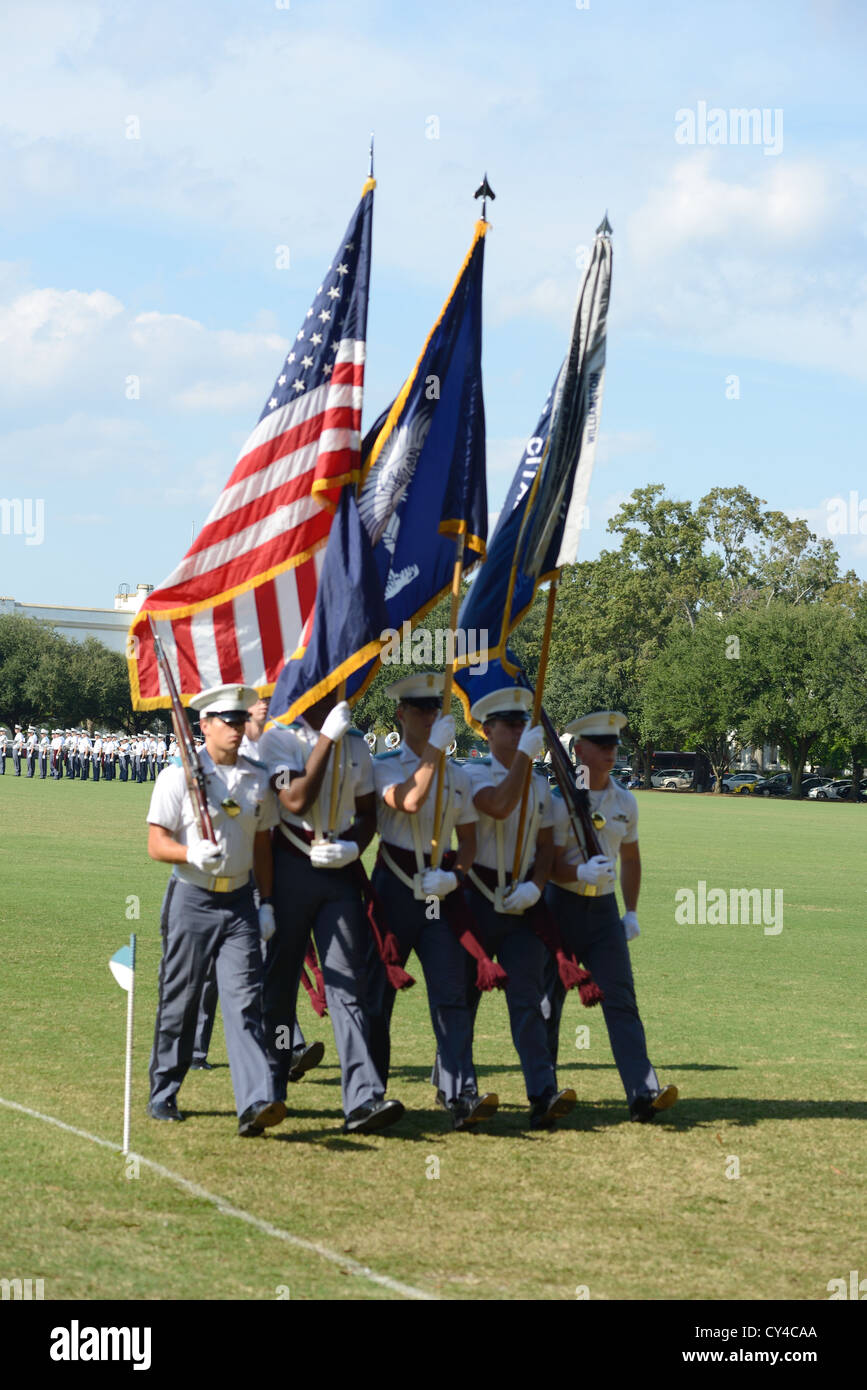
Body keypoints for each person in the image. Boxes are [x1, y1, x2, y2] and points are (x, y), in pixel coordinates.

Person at [258, 692, 402, 1134]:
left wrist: (353, 846)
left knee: (349, 984)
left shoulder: (356, 744)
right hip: (289, 871)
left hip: (338, 873)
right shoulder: (278, 741)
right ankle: (271, 1087)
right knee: (280, 986)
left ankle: (362, 1098)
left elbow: (365, 813)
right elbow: (295, 801)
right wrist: (325, 739)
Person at [145, 683, 286, 1137]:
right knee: (181, 1001)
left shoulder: (258, 777)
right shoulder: (178, 775)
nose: (237, 728)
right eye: (227, 721)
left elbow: (262, 845)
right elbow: (155, 843)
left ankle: (255, 1101)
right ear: (203, 725)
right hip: (193, 898)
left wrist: (266, 902)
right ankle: (164, 1090)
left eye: (242, 720)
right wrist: (188, 854)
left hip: (241, 903)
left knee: (246, 1003)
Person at [365, 673, 496, 1132]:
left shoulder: (458, 777)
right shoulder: (383, 765)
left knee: (452, 994)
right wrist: (436, 752)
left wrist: (454, 876)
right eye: (419, 709)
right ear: (401, 714)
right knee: (378, 997)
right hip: (393, 892)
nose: (428, 715)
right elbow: (411, 800)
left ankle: (459, 1091)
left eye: (434, 708)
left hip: (440, 895)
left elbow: (471, 840)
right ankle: (370, 1093)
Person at [544, 711, 677, 1124]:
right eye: (602, 745)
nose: (610, 752)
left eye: (614, 744)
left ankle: (642, 1093)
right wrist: (576, 873)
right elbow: (543, 863)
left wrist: (632, 910)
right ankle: (544, 1093)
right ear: (578, 749)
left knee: (621, 1003)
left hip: (604, 914)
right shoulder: (557, 799)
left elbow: (631, 857)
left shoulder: (625, 801)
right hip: (559, 907)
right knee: (547, 1004)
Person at [461, 686, 576, 1130]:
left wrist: (537, 885)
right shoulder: (471, 775)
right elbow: (499, 803)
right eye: (508, 725)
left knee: (528, 1000)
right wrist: (526, 761)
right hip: (476, 896)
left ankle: (541, 1094)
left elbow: (547, 846)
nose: (517, 731)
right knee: (465, 997)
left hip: (523, 901)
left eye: (520, 724)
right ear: (487, 731)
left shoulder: (540, 784)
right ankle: (456, 1085)